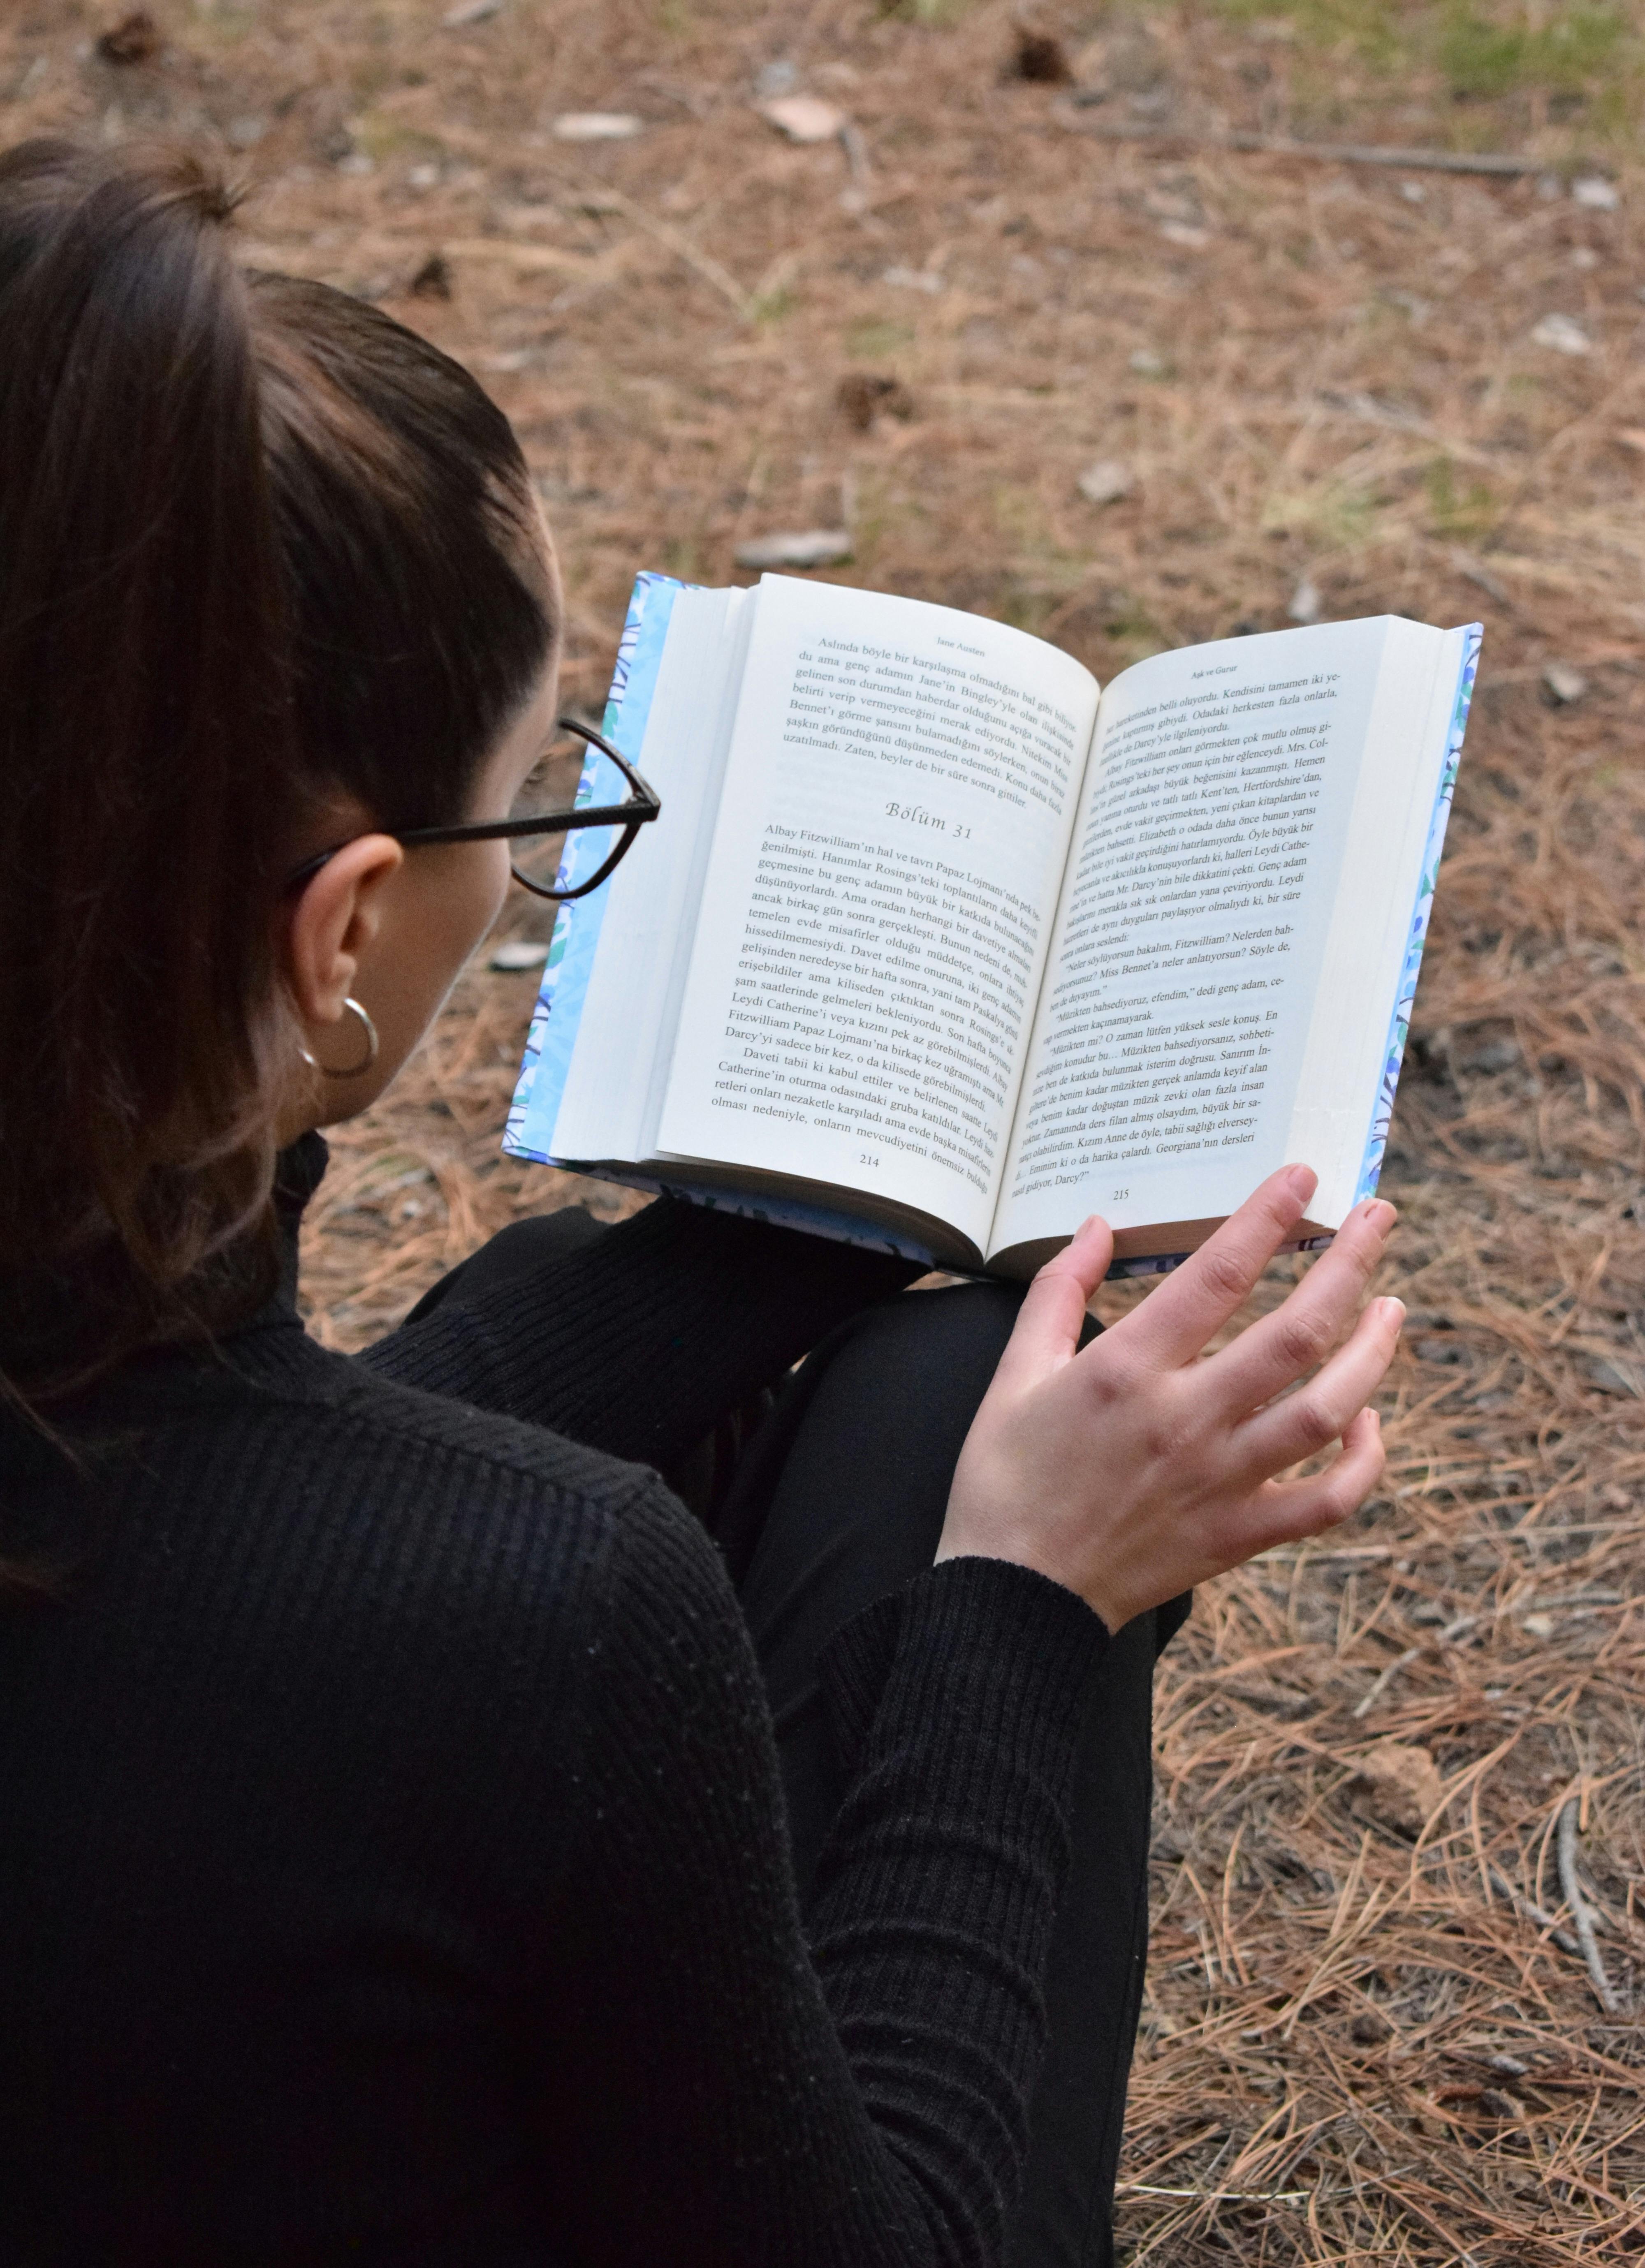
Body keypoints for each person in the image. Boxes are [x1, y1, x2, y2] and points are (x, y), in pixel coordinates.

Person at [0, 140, 1404, 2268]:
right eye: (540, 786)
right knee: (972, 1450)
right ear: (345, 926)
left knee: (864, 1356)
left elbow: (169, 1475)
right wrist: (1031, 1613)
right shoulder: (549, 1626)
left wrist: (823, 1197)